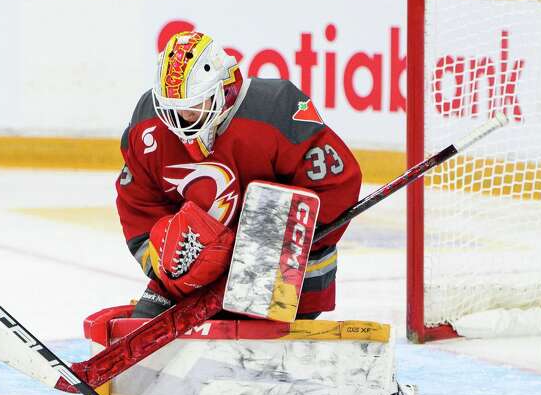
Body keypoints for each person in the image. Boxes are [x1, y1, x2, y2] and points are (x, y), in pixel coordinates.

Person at [116, 30, 362, 320]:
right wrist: (170, 267)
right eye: (174, 108)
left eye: (194, 103)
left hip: (285, 276)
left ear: (223, 88)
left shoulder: (275, 110)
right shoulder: (148, 124)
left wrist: (272, 248)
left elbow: (337, 184)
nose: (184, 117)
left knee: (250, 340)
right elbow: (138, 203)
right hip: (196, 278)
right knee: (141, 326)